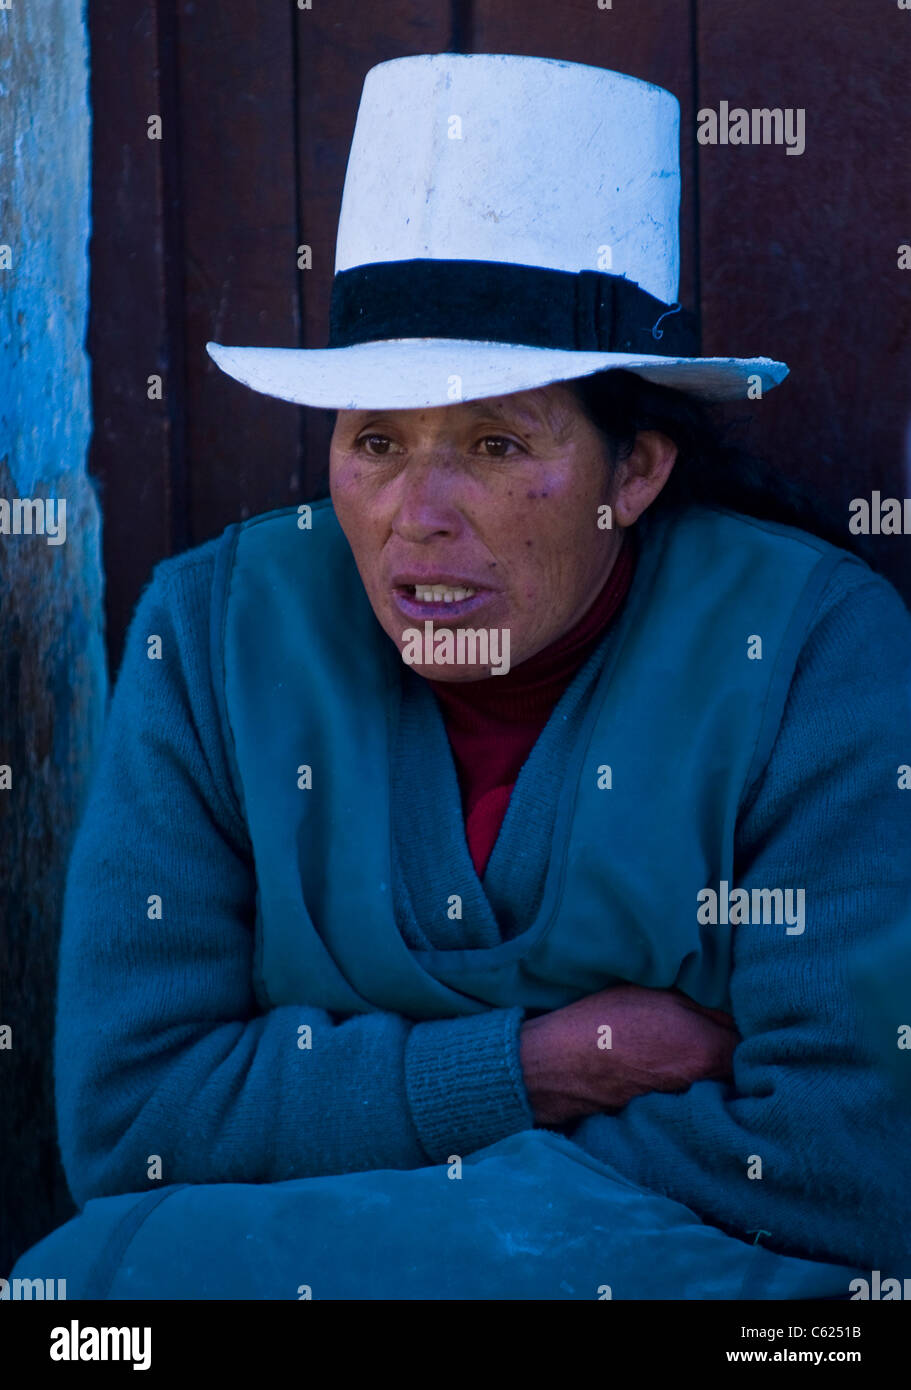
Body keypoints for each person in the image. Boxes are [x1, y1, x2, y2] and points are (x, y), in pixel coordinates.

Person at [12, 52, 911, 1300]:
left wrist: (349, 1181)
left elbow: (840, 1167)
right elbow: (132, 1118)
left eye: (492, 443)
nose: (413, 516)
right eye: (374, 441)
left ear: (633, 473)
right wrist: (543, 1065)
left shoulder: (811, 652)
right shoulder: (215, 636)